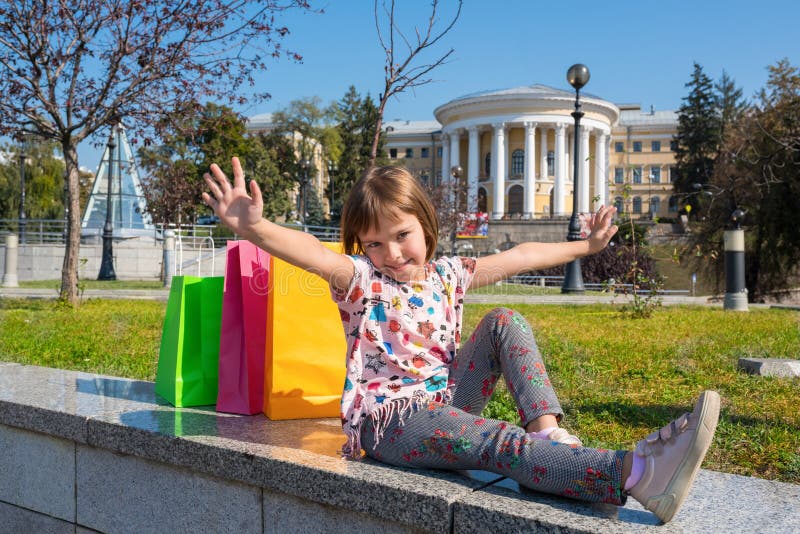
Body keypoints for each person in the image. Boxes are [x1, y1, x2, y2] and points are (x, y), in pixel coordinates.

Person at [203, 158, 720, 524]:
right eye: (375, 243)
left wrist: (585, 245)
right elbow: (310, 253)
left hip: (446, 399)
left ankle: (549, 434)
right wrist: (258, 228)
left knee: (504, 320)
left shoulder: (449, 274)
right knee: (494, 440)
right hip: (392, 423)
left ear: (425, 225)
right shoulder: (361, 279)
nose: (392, 252)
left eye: (402, 234)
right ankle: (636, 473)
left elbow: (521, 256)